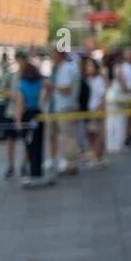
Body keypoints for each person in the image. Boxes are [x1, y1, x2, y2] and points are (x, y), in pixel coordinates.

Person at [16, 59, 50, 187]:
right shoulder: (40, 83)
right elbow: (45, 96)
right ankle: (38, 171)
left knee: (29, 145)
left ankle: (31, 170)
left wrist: (18, 120)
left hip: (27, 115)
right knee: (39, 144)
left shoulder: (22, 84)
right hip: (38, 114)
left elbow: (20, 102)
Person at [48, 47, 80, 175]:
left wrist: (52, 87)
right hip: (59, 106)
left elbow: (66, 89)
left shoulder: (67, 68)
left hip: (66, 106)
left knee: (67, 136)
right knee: (63, 135)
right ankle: (65, 161)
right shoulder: (59, 68)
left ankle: (70, 164)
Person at [0, 51, 28, 178]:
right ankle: (10, 165)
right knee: (10, 140)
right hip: (11, 111)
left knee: (27, 140)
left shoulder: (30, 75)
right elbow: (1, 90)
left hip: (26, 111)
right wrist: (14, 96)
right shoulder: (11, 75)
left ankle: (24, 165)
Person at [82, 55, 107, 168]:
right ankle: (95, 154)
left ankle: (98, 156)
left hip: (96, 111)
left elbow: (102, 96)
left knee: (97, 134)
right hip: (88, 111)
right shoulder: (87, 80)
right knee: (90, 134)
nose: (88, 68)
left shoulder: (98, 80)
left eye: (90, 66)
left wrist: (98, 109)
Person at [103, 52, 127, 155]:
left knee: (110, 121)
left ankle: (110, 144)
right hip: (118, 96)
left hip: (109, 97)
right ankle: (118, 144)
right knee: (120, 121)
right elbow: (123, 84)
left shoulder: (104, 70)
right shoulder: (118, 68)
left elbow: (106, 86)